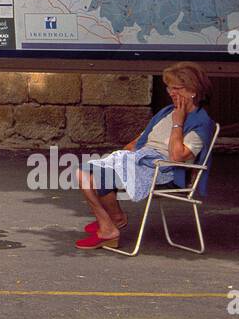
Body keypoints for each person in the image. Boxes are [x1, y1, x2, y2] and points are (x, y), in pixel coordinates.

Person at [74, 62, 216, 250]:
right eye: (169, 87)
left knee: (94, 176)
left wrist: (178, 123)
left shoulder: (200, 123)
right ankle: (112, 220)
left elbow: (176, 157)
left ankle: (109, 227)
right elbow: (139, 141)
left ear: (193, 91)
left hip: (165, 171)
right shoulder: (166, 112)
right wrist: (121, 157)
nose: (171, 92)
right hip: (141, 160)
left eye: (176, 88)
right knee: (84, 173)